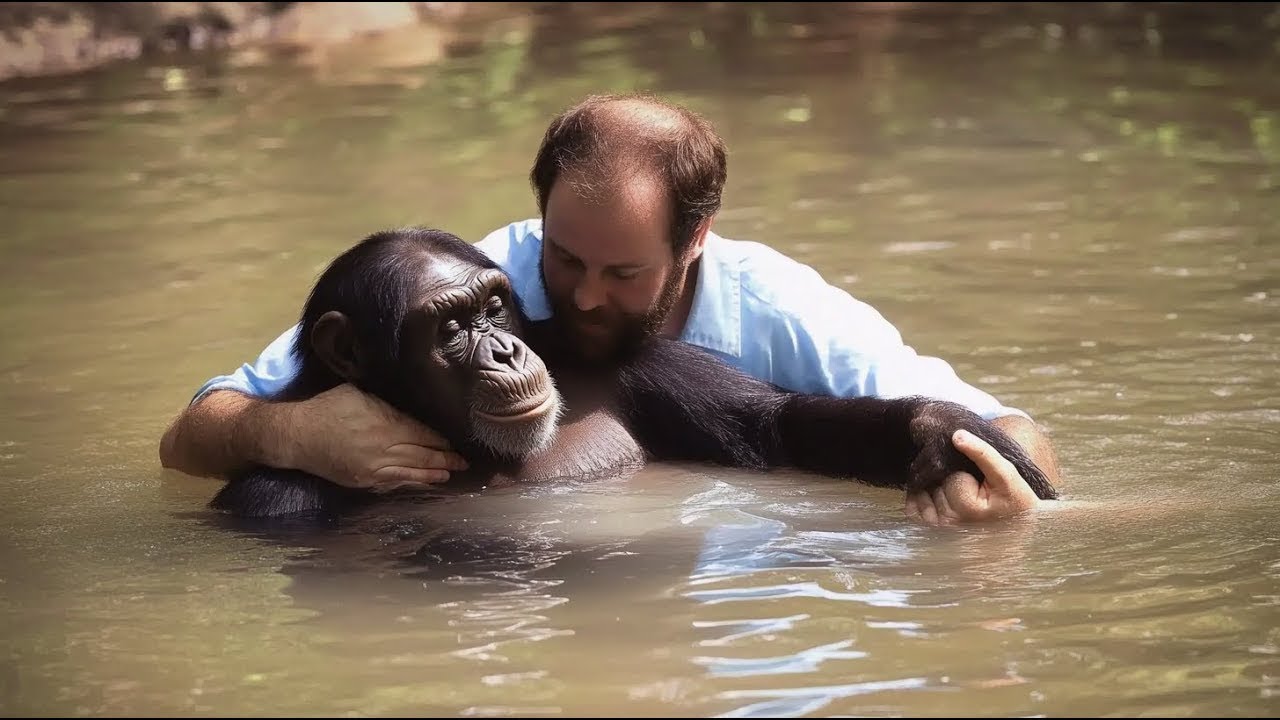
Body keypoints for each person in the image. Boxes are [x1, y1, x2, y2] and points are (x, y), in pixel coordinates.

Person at [159, 93, 1062, 525]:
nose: (582, 297)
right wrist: (291, 435)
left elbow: (975, 427)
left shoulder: (754, 317)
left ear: (694, 240)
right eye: (564, 260)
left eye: (624, 271)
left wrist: (985, 483)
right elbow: (196, 431)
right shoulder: (476, 281)